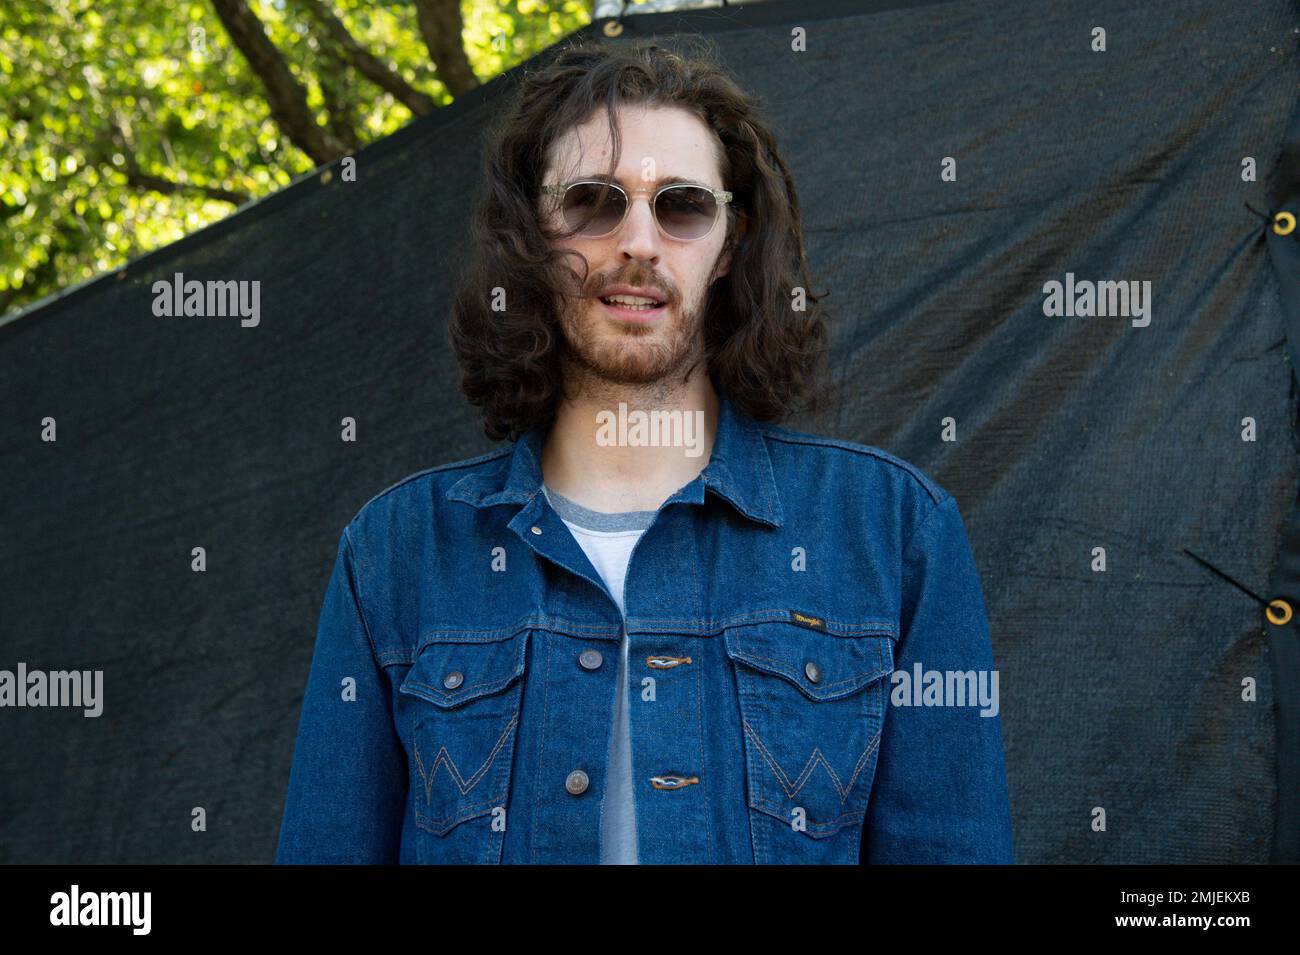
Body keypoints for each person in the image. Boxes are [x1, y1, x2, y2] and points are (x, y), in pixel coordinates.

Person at [275, 38, 1013, 865]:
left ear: (729, 243)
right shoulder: (396, 554)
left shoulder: (892, 536)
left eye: (683, 205)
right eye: (592, 201)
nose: (639, 242)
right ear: (531, 234)